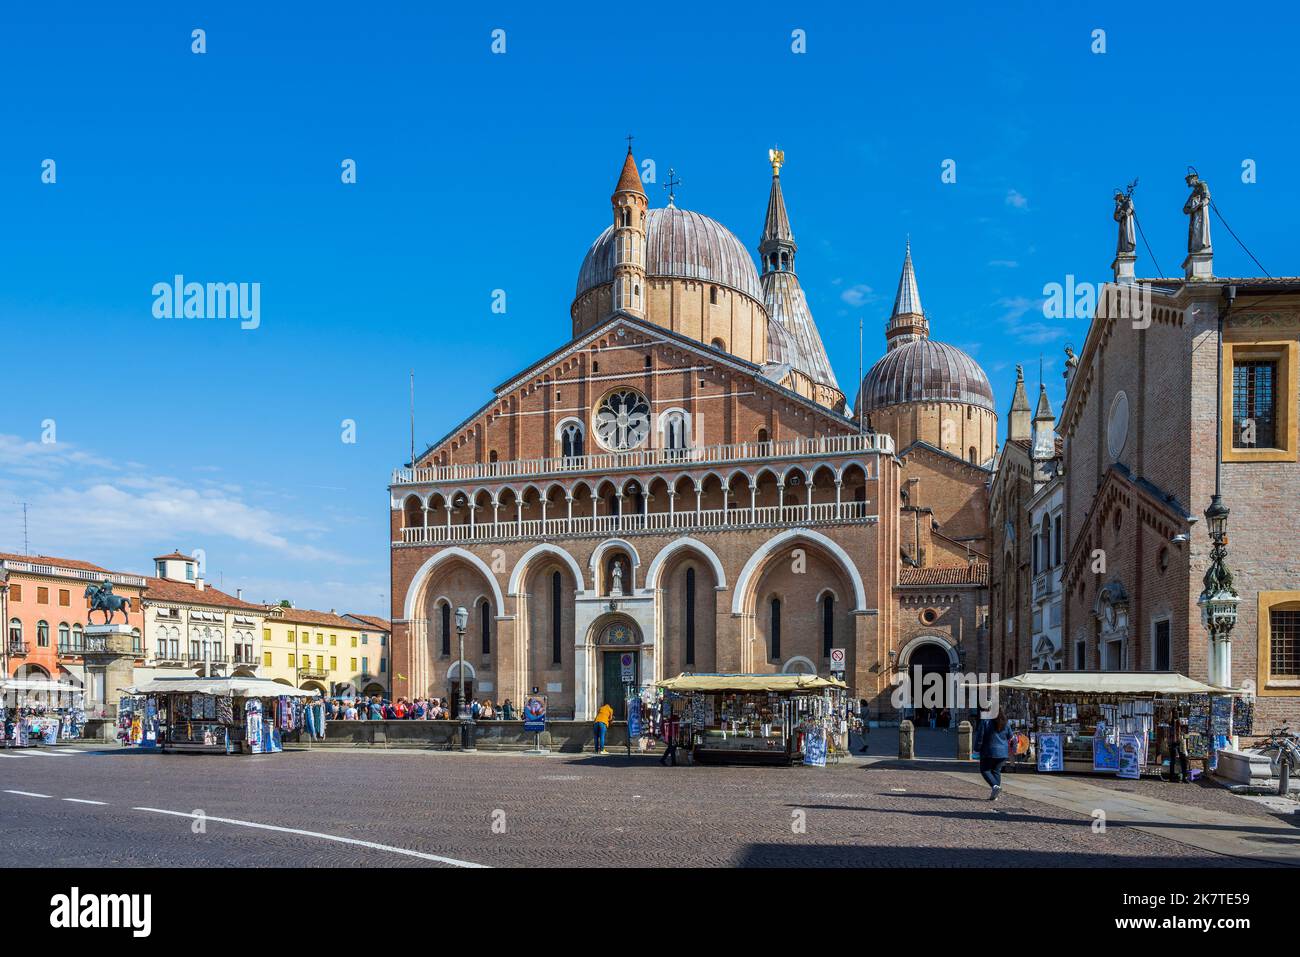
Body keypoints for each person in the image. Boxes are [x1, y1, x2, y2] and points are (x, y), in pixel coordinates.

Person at [973, 711, 1011, 800]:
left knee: (984, 770)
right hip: (1003, 752)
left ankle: (995, 787)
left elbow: (980, 738)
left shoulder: (985, 721)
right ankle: (995, 794)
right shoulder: (1005, 722)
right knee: (996, 771)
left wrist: (976, 749)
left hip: (989, 751)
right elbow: (1010, 736)